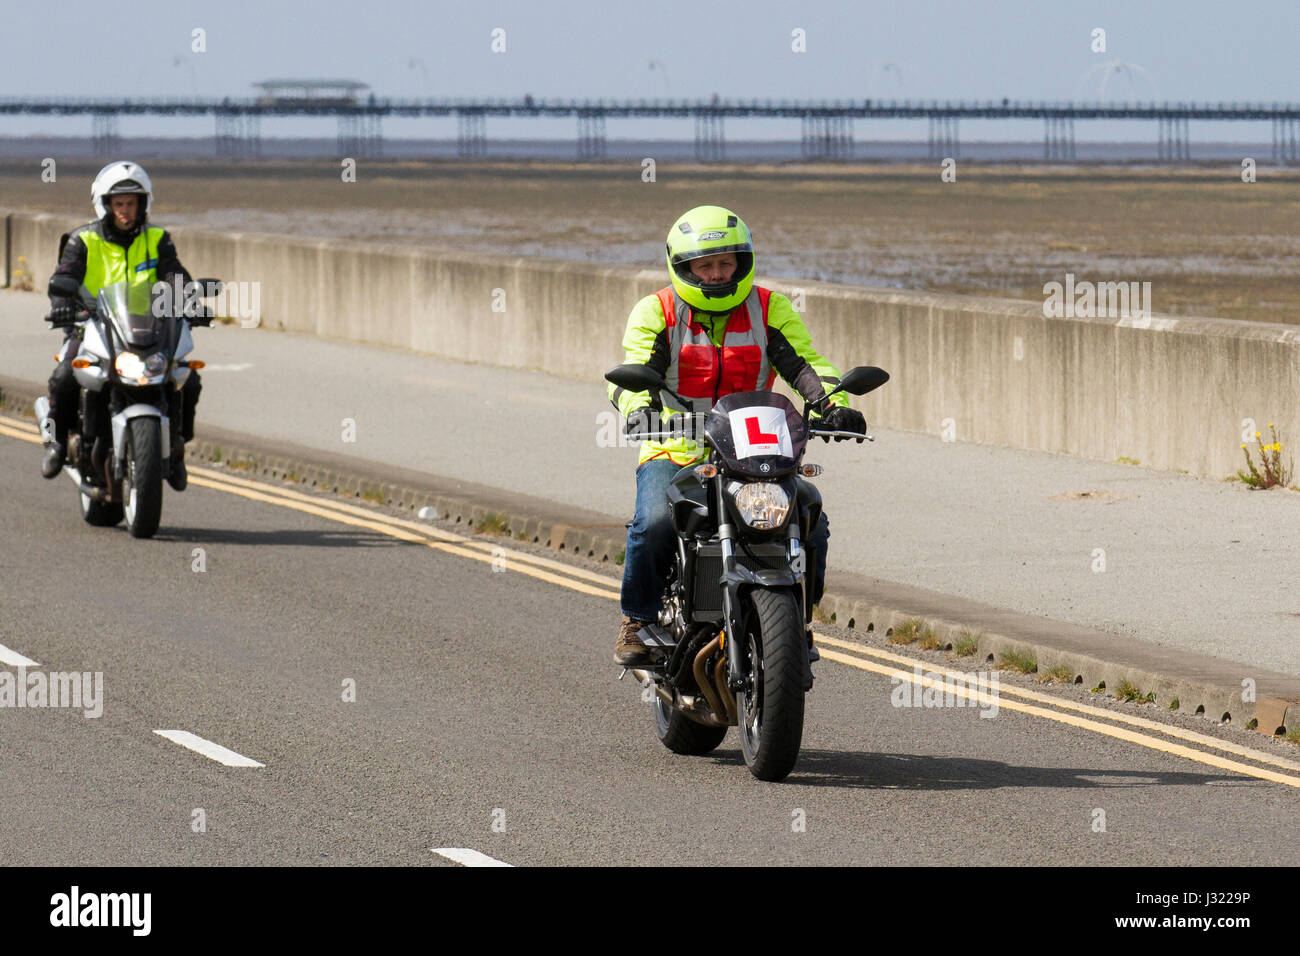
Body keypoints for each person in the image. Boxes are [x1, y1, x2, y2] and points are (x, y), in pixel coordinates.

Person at [609, 205, 866, 665]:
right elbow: (631, 373)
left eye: (725, 262)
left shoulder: (770, 307)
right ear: (683, 267)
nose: (716, 273)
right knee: (655, 523)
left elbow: (805, 365)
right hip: (676, 448)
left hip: (757, 450)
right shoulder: (658, 311)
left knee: (812, 521)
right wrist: (638, 409)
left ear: (742, 261)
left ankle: (794, 622)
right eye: (704, 266)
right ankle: (637, 619)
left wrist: (835, 406)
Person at [41, 161, 200, 491]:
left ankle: (178, 448)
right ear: (106, 205)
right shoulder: (83, 240)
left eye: (131, 203)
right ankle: (57, 443)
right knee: (63, 378)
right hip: (91, 325)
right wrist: (61, 302)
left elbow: (174, 274)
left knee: (189, 378)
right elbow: (65, 276)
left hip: (148, 329)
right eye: (119, 204)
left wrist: (191, 300)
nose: (126, 211)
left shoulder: (158, 239)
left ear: (143, 204)